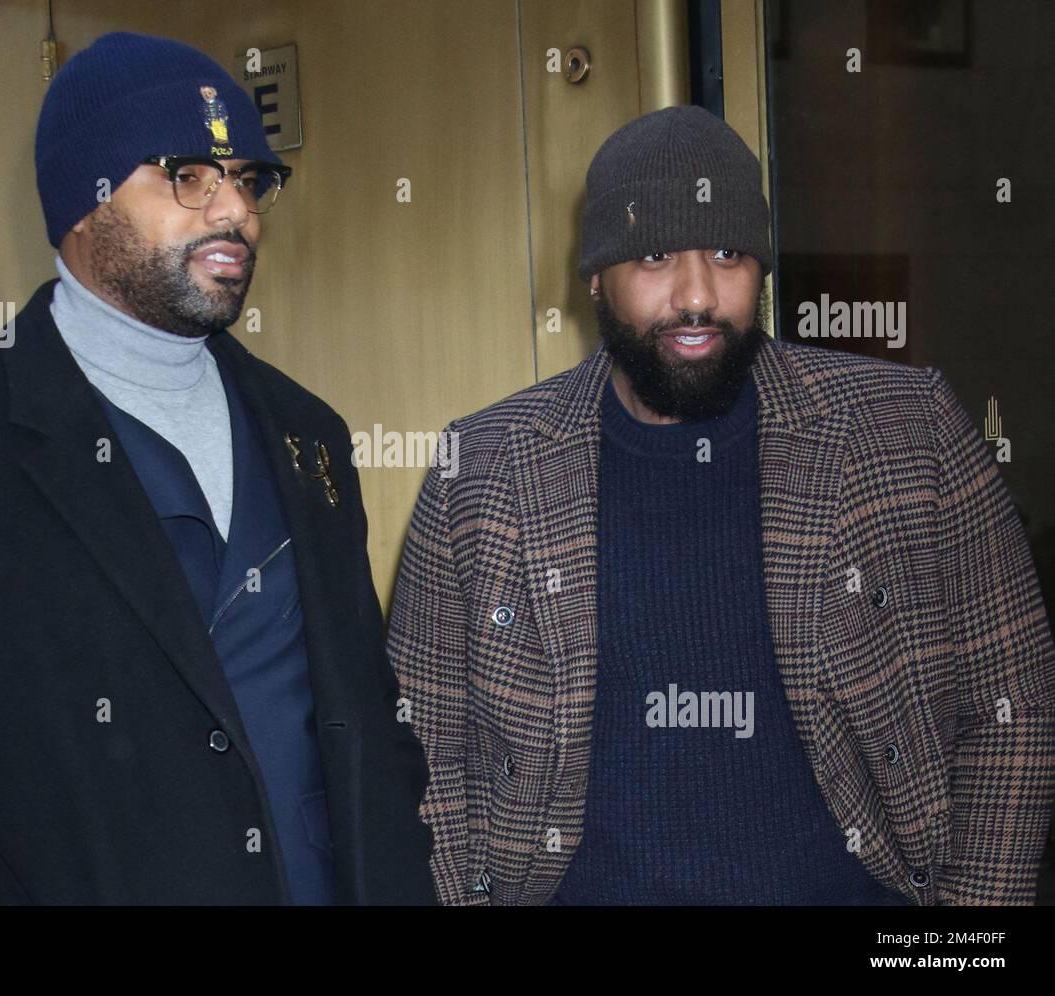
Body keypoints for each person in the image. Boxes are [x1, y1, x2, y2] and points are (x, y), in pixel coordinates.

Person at [0, 32, 433, 905]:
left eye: (249, 179)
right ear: (82, 200)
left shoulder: (308, 435)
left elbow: (374, 749)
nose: (233, 211)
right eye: (190, 174)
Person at [388, 105, 1055, 905]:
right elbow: (423, 752)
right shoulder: (483, 471)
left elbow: (1011, 703)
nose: (697, 295)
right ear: (596, 275)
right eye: (656, 254)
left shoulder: (906, 432)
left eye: (729, 254)